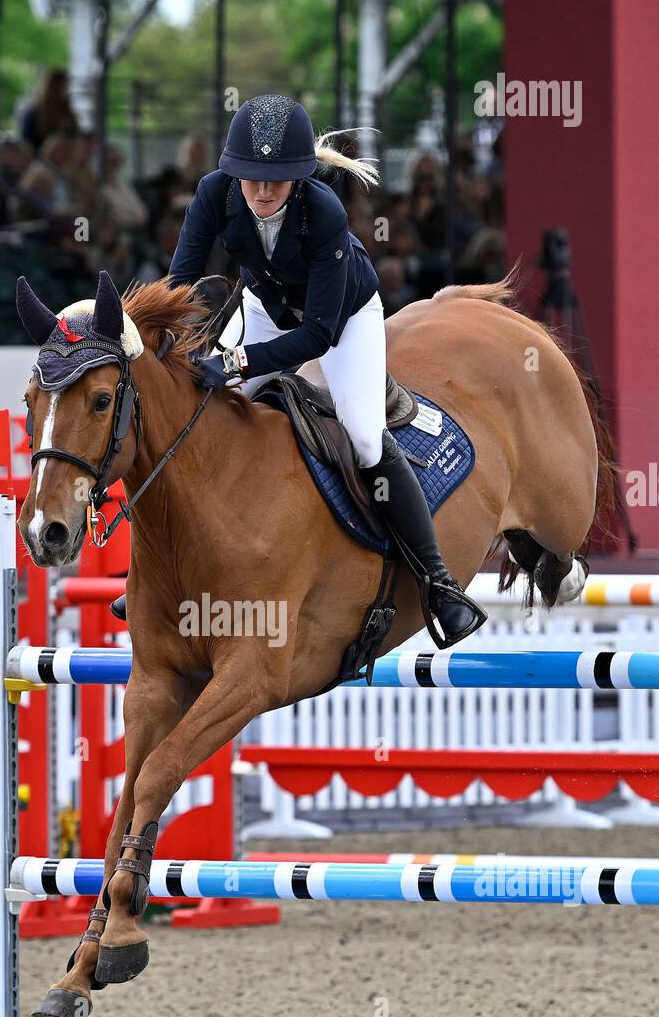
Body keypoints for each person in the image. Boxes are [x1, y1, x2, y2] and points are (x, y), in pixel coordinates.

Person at [163, 94, 483, 646]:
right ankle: (166, 566)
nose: (263, 192)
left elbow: (317, 336)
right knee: (198, 413)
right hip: (264, 306)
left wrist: (237, 361)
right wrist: (168, 347)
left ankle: (438, 584)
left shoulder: (325, 213)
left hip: (343, 316)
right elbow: (179, 283)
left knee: (363, 436)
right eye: (252, 179)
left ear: (299, 177)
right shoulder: (214, 193)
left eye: (277, 181)